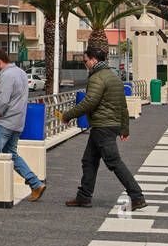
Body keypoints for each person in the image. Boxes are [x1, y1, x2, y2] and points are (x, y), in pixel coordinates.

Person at [58, 45, 146, 209]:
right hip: (108, 125)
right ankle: (84, 197)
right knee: (89, 161)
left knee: (114, 162)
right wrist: (124, 129)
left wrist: (68, 115)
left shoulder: (97, 78)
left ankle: (137, 196)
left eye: (86, 61)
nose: (85, 64)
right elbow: (123, 106)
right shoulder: (114, 77)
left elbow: (90, 101)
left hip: (102, 126)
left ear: (93, 60)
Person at [0, 48, 46, 201]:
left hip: (4, 122)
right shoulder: (21, 72)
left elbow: (3, 101)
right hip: (18, 122)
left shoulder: (6, 75)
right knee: (12, 155)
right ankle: (35, 184)